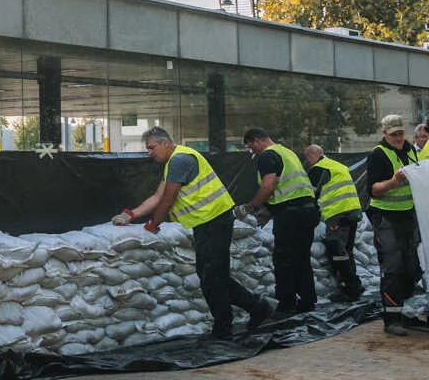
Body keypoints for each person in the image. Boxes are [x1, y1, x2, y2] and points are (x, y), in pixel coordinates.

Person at [115, 128, 272, 338]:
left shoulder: (180, 160)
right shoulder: (175, 161)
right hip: (206, 222)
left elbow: (168, 200)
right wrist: (130, 215)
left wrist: (155, 223)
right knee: (210, 275)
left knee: (212, 276)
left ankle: (225, 326)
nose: (150, 153)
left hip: (215, 219)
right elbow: (157, 196)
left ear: (165, 143)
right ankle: (256, 307)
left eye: (152, 148)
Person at [242, 127, 321, 316]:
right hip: (308, 211)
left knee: (284, 258)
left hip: (290, 215)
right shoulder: (286, 152)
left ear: (255, 141)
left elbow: (268, 185)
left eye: (250, 147)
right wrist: (270, 210)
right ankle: (307, 301)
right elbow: (288, 188)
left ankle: (287, 304)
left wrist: (252, 206)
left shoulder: (267, 156)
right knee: (302, 257)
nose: (252, 151)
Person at [364, 115, 422, 335]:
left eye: (400, 133)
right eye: (393, 134)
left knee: (411, 264)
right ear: (384, 134)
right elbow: (373, 189)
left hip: (407, 215)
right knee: (393, 265)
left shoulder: (409, 150)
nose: (398, 138)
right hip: (385, 217)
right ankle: (392, 319)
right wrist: (394, 182)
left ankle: (403, 307)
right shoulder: (378, 155)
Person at [303, 143, 366, 303]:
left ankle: (351, 288)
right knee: (347, 250)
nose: (306, 162)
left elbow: (312, 195)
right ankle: (353, 285)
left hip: (338, 213)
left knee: (336, 250)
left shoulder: (319, 168)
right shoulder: (337, 165)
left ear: (312, 156)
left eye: (307, 158)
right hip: (352, 211)